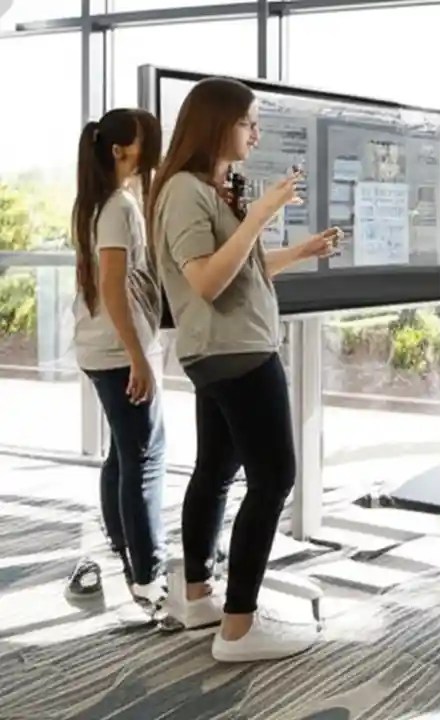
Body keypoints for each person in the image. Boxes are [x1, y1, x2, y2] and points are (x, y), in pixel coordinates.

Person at [148, 77, 342, 662]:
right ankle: (238, 627)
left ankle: (200, 597)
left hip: (226, 350)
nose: (256, 134)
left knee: (216, 469)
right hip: (238, 353)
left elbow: (241, 271)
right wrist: (259, 214)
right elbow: (206, 281)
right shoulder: (184, 191)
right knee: (274, 477)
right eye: (248, 123)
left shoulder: (204, 189)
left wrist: (301, 251)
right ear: (215, 125)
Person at [64, 108, 167, 614]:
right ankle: (147, 576)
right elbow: (112, 285)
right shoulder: (117, 207)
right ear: (118, 149)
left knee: (124, 456)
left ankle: (126, 552)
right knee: (144, 458)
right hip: (116, 350)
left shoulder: (95, 203)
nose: (153, 147)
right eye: (145, 140)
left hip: (99, 346)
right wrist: (137, 357)